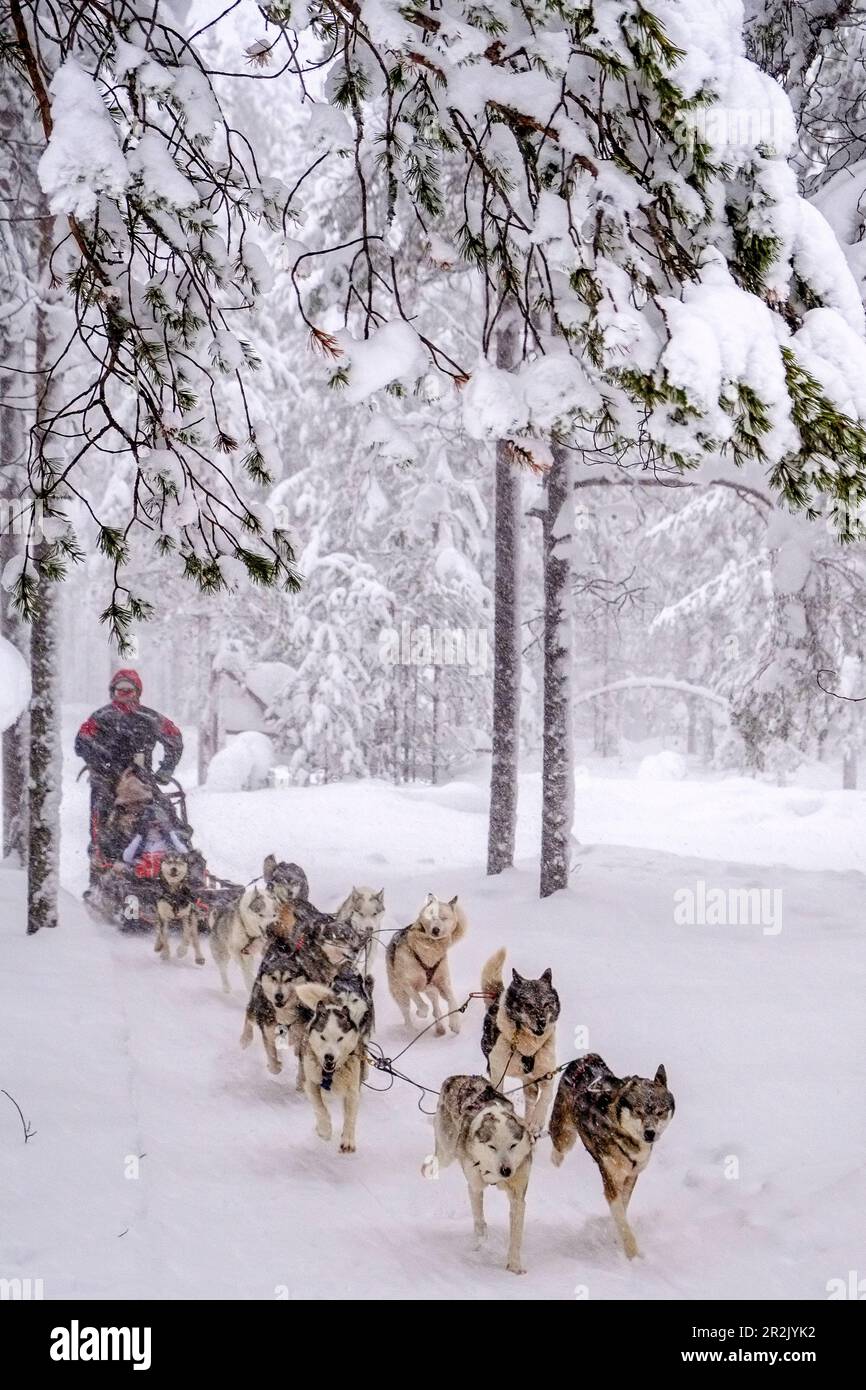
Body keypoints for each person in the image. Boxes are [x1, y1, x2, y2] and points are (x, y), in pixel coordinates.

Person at [75, 670, 183, 881]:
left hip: (142, 778)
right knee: (102, 817)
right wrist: (100, 762)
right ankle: (102, 867)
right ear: (112, 691)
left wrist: (166, 769)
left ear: (137, 692)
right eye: (120, 689)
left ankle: (177, 858)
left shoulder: (150, 718)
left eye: (129, 689)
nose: (124, 694)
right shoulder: (101, 717)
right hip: (106, 780)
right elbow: (81, 742)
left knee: (165, 812)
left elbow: (174, 737)